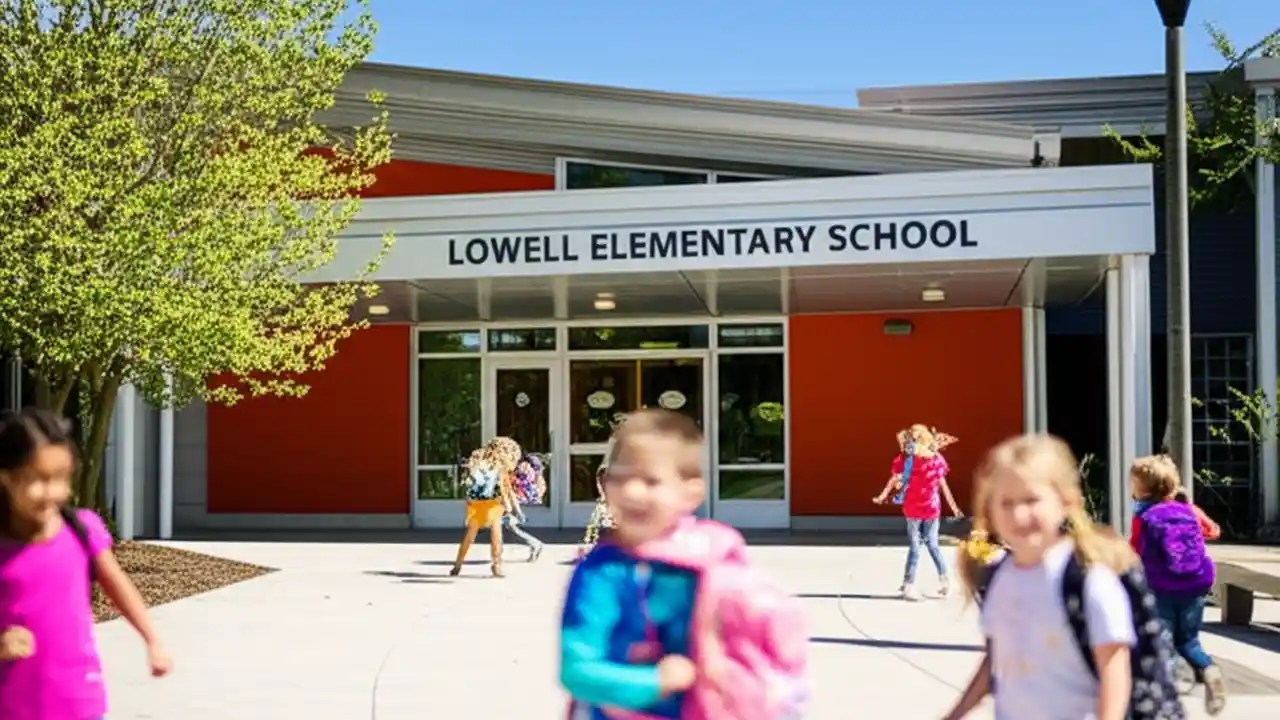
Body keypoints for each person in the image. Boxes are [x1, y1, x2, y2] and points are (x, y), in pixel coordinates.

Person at [559, 409, 807, 719]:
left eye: (650, 480)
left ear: (691, 491)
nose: (631, 491)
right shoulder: (603, 571)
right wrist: (656, 682)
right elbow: (577, 669)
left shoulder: (716, 553)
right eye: (620, 478)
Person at [946, 434, 1185, 720]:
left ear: (1066, 502)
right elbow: (997, 658)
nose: (1019, 514)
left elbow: (1115, 670)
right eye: (1006, 503)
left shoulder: (1086, 580)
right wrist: (956, 713)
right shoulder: (1000, 577)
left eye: (1031, 500)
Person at [0, 408, 172, 720]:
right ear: (6, 477)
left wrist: (152, 639)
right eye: (38, 479)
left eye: (62, 478)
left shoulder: (82, 529)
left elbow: (118, 585)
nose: (54, 491)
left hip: (77, 700)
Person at [1129, 455, 1226, 715]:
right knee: (1190, 641)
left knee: (1163, 641)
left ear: (1141, 489)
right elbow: (1213, 531)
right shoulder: (1188, 511)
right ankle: (1208, 669)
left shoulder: (1144, 516)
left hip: (1161, 587)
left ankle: (1164, 694)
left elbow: (1135, 551)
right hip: (1196, 583)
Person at [873, 424, 963, 600]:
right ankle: (913, 584)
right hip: (917, 508)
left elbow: (942, 485)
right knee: (922, 545)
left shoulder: (930, 461)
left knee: (927, 545)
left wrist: (954, 507)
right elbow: (896, 479)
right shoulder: (913, 462)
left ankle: (940, 582)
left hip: (927, 509)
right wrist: (887, 492)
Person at [449, 436, 522, 578]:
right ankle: (494, 566)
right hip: (486, 503)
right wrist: (510, 505)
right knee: (492, 535)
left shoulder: (484, 464)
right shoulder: (490, 465)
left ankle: (461, 565)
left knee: (480, 535)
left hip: (486, 504)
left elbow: (502, 487)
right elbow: (502, 487)